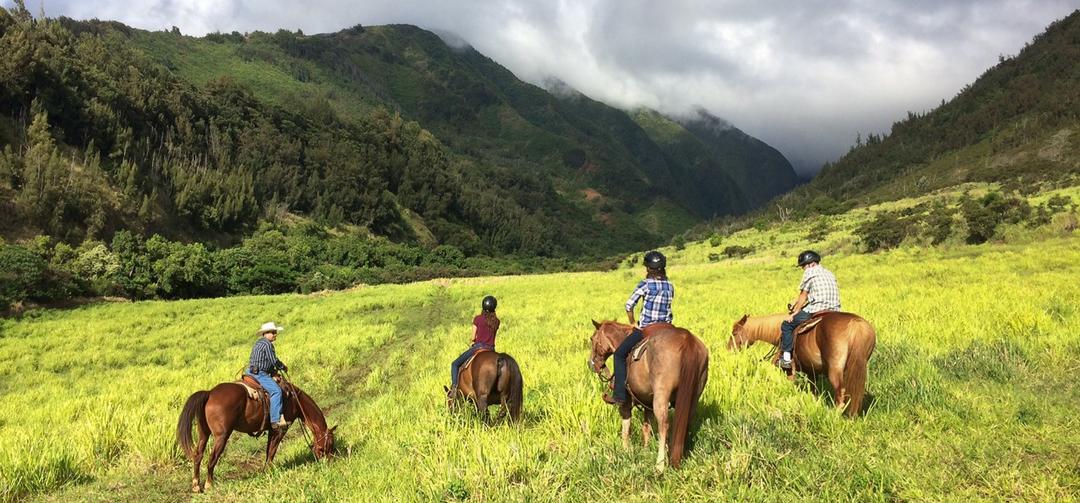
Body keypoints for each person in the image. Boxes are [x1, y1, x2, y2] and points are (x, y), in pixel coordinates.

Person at [603, 250, 673, 405]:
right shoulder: (670, 285)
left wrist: (633, 322)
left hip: (648, 329)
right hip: (668, 328)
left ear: (648, 268)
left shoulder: (645, 284)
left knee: (620, 354)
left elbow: (629, 305)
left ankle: (619, 394)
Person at [779, 250, 841, 369]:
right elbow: (815, 293)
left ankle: (786, 358)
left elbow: (803, 296)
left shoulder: (810, 272)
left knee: (787, 325)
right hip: (835, 309)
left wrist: (794, 313)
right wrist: (794, 302)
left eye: (803, 266)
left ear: (809, 264)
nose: (803, 268)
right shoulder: (829, 273)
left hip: (818, 308)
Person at [448, 296, 501, 396]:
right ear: (494, 307)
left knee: (455, 364)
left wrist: (472, 342)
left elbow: (473, 337)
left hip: (479, 347)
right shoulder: (496, 322)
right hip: (491, 350)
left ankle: (454, 389)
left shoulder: (478, 319)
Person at [246, 321, 289, 429]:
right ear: (266, 333)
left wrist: (272, 370)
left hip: (250, 371)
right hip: (260, 374)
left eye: (275, 332)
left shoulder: (259, 343)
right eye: (273, 332)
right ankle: (275, 420)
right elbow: (273, 360)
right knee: (276, 391)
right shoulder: (267, 344)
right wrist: (282, 366)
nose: (275, 334)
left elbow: (265, 361)